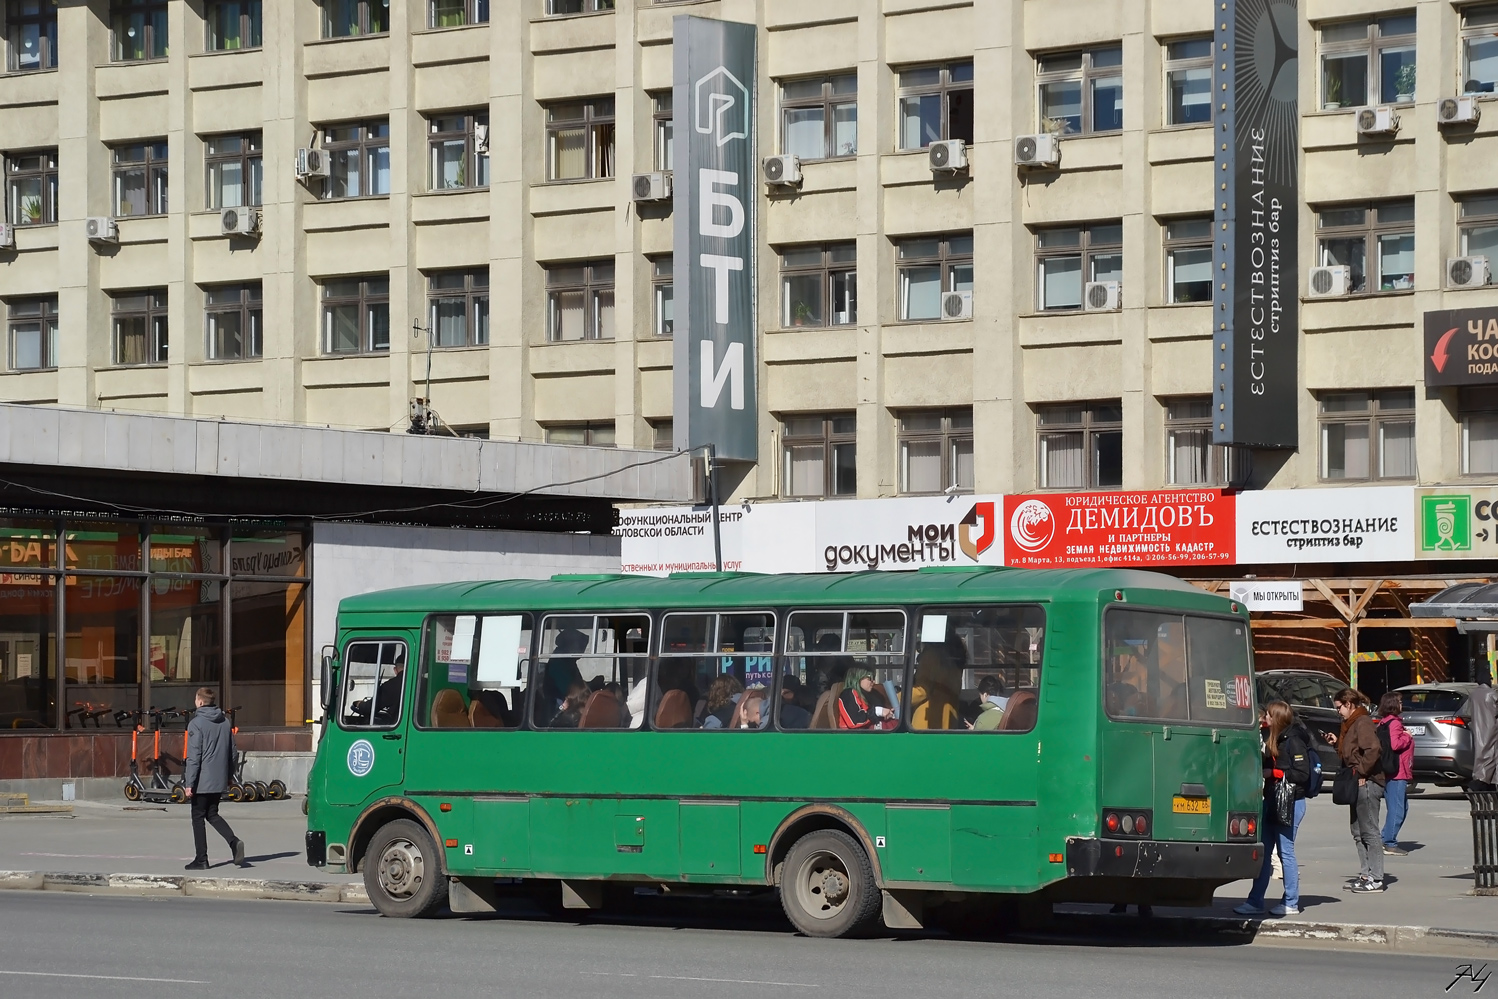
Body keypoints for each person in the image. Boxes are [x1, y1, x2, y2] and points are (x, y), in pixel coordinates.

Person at [1235, 700, 1313, 916]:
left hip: (1291, 801)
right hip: (1272, 798)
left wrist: (1274, 773)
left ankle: (1291, 902)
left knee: (1286, 852)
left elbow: (1302, 773)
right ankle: (1255, 901)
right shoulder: (1274, 737)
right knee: (1265, 851)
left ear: (1276, 718)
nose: (1265, 718)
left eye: (1268, 715)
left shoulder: (1293, 740)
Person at [1324, 688, 1386, 892]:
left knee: (1369, 831)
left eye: (1339, 707)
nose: (1338, 712)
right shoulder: (1349, 724)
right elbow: (1351, 752)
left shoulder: (1362, 722)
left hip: (1367, 782)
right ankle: (1366, 874)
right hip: (1356, 781)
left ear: (1349, 704)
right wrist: (1337, 744)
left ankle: (1376, 878)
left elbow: (1373, 749)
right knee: (1358, 831)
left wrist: (1361, 772)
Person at [182, 687, 245, 871]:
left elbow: (194, 756)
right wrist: (229, 776)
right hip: (218, 778)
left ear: (200, 702)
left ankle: (201, 859)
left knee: (198, 817)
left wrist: (189, 783)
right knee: (212, 814)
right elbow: (233, 753)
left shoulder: (196, 724)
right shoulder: (225, 722)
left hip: (202, 780)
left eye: (196, 699)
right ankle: (234, 842)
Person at [1377, 691, 1415, 855]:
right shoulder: (1394, 724)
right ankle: (1389, 842)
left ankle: (1385, 837)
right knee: (1397, 809)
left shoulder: (1384, 722)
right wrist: (1407, 736)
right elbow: (1396, 744)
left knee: (1401, 807)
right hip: (1397, 771)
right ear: (1392, 704)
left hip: (1392, 770)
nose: (1401, 704)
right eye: (1399, 702)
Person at [910, 649, 959, 730]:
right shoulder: (949, 659)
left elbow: (921, 691)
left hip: (929, 719)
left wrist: (894, 699)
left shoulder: (930, 656)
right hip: (947, 716)